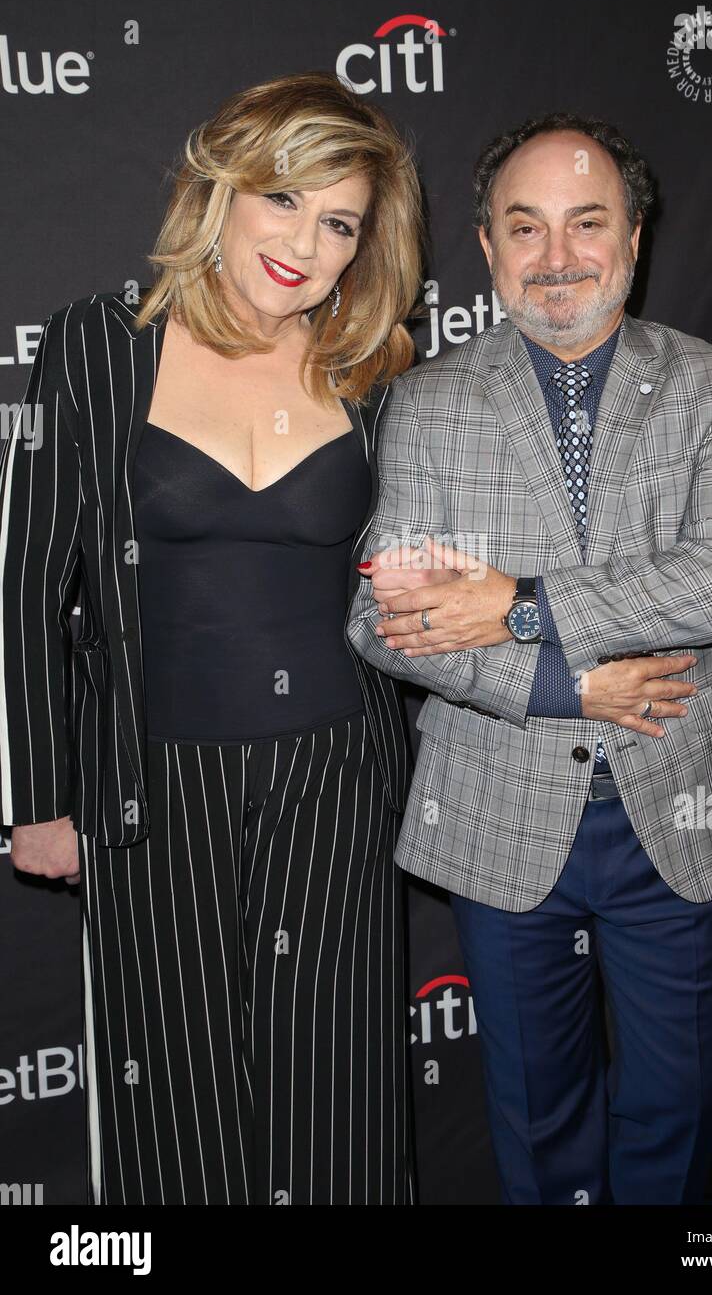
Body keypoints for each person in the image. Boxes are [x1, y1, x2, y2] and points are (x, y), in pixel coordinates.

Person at [347, 111, 712, 1205]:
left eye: (585, 222)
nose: (556, 256)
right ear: (487, 246)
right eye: (524, 227)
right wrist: (564, 680)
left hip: (681, 789)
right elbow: (386, 620)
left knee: (684, 1099)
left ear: (634, 238)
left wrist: (514, 603)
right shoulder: (424, 402)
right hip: (499, 800)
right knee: (535, 1106)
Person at [1, 72, 425, 1205]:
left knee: (337, 1099)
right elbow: (30, 578)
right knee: (173, 1105)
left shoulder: (373, 371)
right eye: (283, 200)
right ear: (223, 188)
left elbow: (409, 582)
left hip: (335, 776)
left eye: (339, 222)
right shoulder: (102, 341)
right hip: (149, 785)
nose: (305, 243)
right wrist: (40, 797)